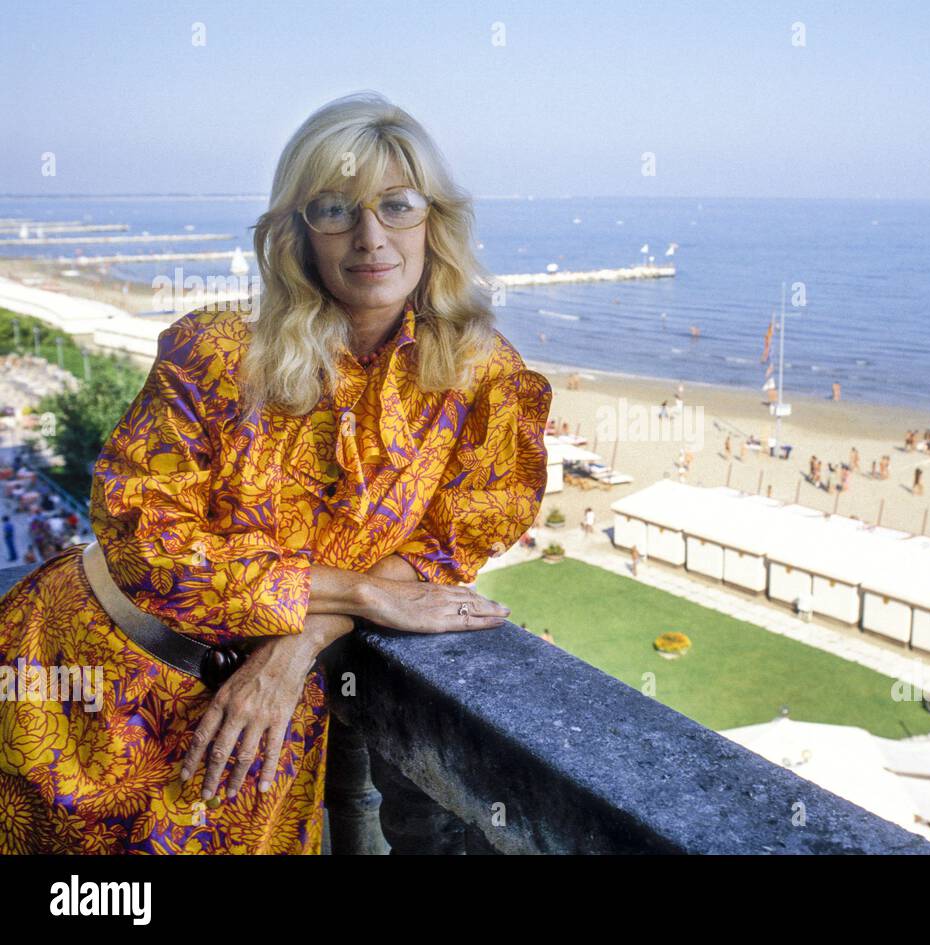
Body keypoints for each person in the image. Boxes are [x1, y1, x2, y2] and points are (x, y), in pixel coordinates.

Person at [0, 93, 549, 855]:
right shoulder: (215, 352)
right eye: (334, 209)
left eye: (396, 205)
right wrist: (357, 591)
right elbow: (148, 544)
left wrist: (295, 646)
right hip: (80, 679)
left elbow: (444, 547)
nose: (370, 237)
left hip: (254, 725)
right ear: (300, 232)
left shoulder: (485, 383)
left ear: (433, 220)